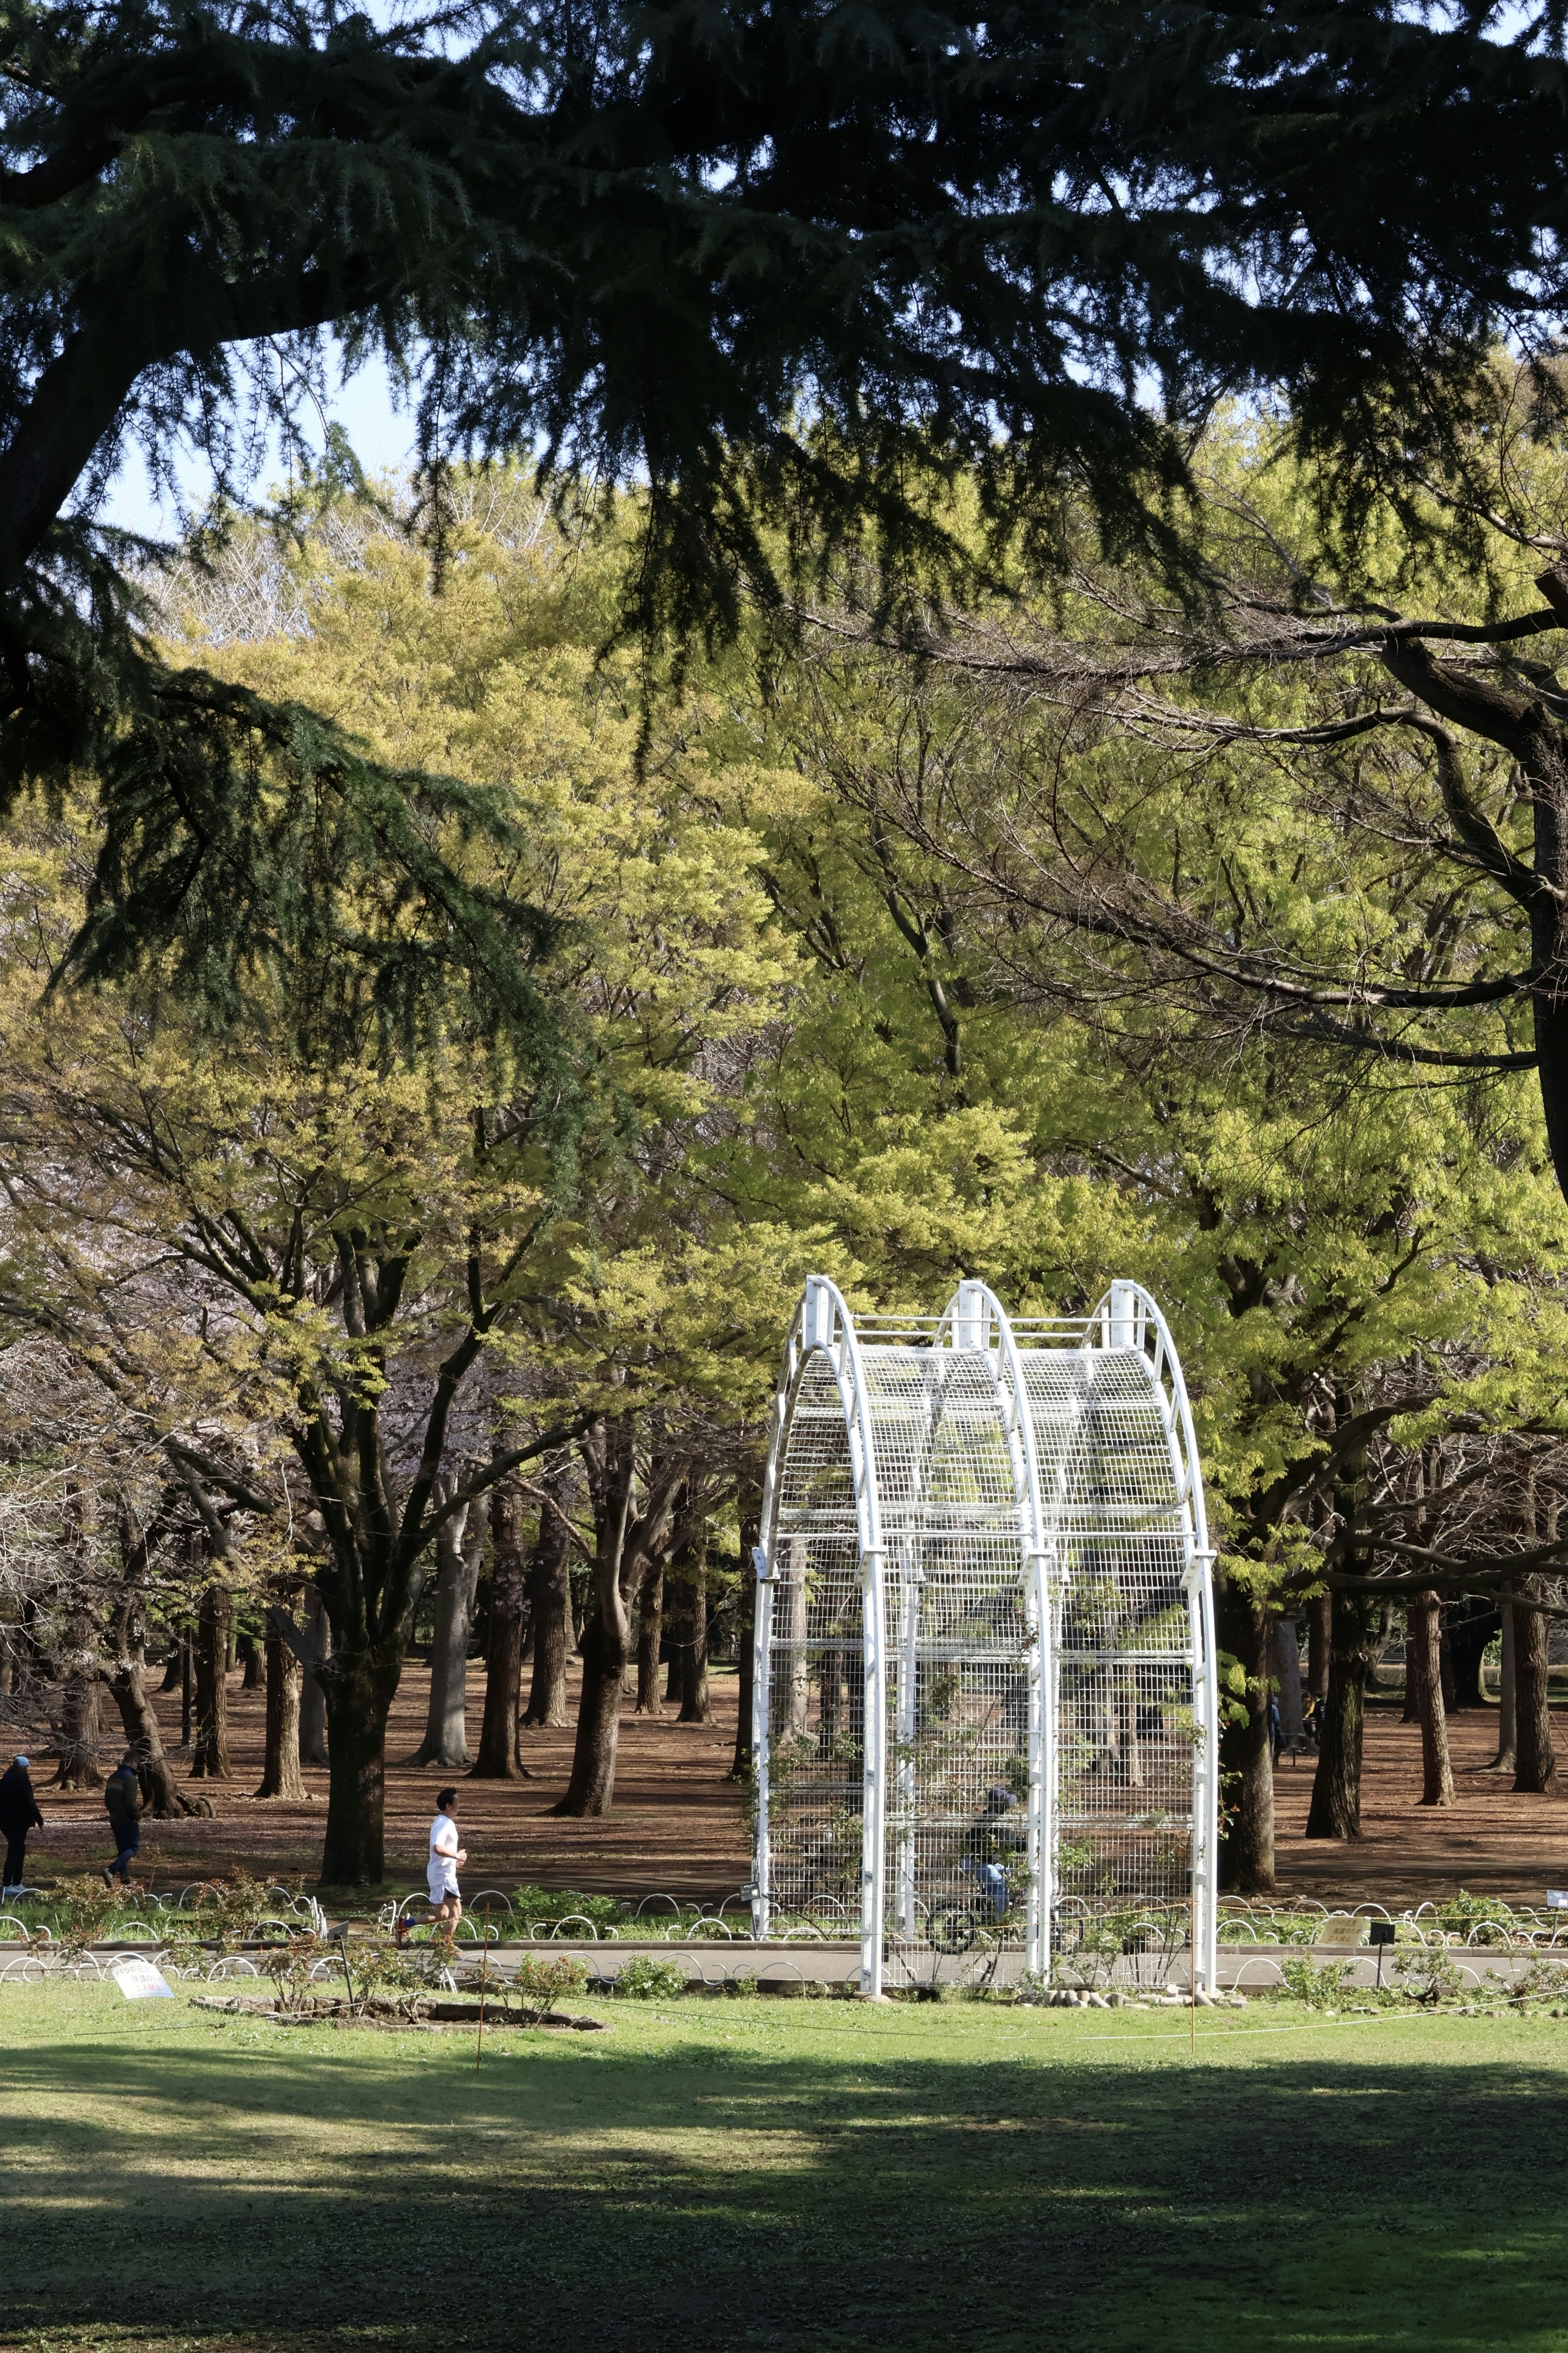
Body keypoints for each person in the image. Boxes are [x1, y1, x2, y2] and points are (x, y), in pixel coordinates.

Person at [0, 1754, 42, 1893]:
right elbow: (31, 1803)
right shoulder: (23, 1783)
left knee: (19, 1849)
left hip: (5, 1823)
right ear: (24, 1768)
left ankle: (17, 1882)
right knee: (15, 1850)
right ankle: (7, 1884)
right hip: (20, 1822)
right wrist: (39, 1820)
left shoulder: (4, 1782)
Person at [427, 1787, 466, 1933]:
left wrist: (455, 1861)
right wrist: (456, 1855)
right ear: (449, 1806)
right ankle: (446, 1947)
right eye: (457, 1802)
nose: (459, 1806)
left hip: (442, 1873)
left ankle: (405, 1924)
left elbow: (442, 1850)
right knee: (456, 1911)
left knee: (441, 1914)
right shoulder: (443, 1823)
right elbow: (437, 1848)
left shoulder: (445, 1822)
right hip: (443, 1876)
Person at [103, 1753, 144, 1888]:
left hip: (115, 1818)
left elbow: (107, 1800)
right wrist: (138, 1815)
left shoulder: (113, 1778)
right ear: (133, 1762)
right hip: (127, 1819)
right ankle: (111, 1870)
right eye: (138, 1764)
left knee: (123, 1850)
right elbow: (131, 1802)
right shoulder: (131, 1779)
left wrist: (113, 1812)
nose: (138, 1767)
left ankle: (125, 1880)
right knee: (134, 1847)